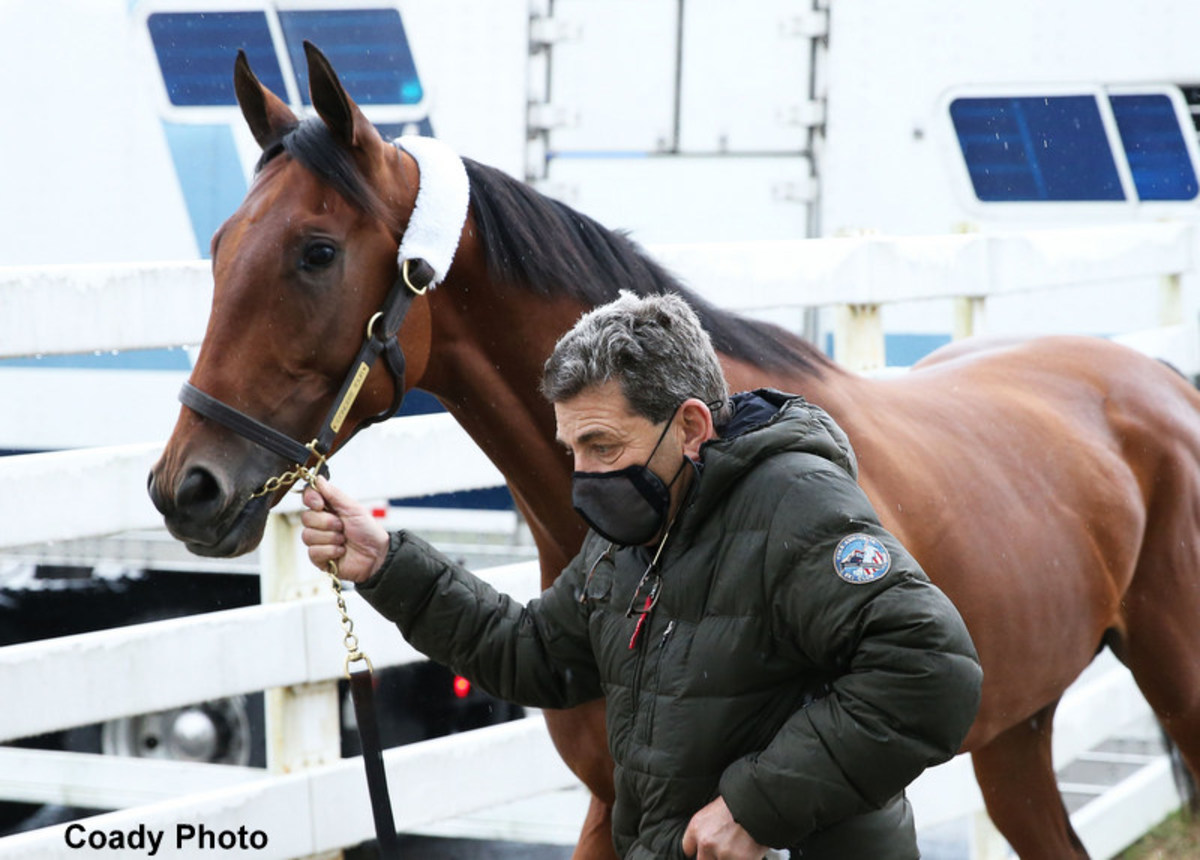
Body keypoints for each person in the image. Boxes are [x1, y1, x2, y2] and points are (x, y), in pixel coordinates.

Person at [301, 291, 983, 859]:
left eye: (603, 446)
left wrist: (756, 808)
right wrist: (388, 563)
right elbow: (535, 653)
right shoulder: (633, 527)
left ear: (690, 427)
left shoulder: (794, 502)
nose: (584, 479)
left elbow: (933, 671)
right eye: (572, 450)